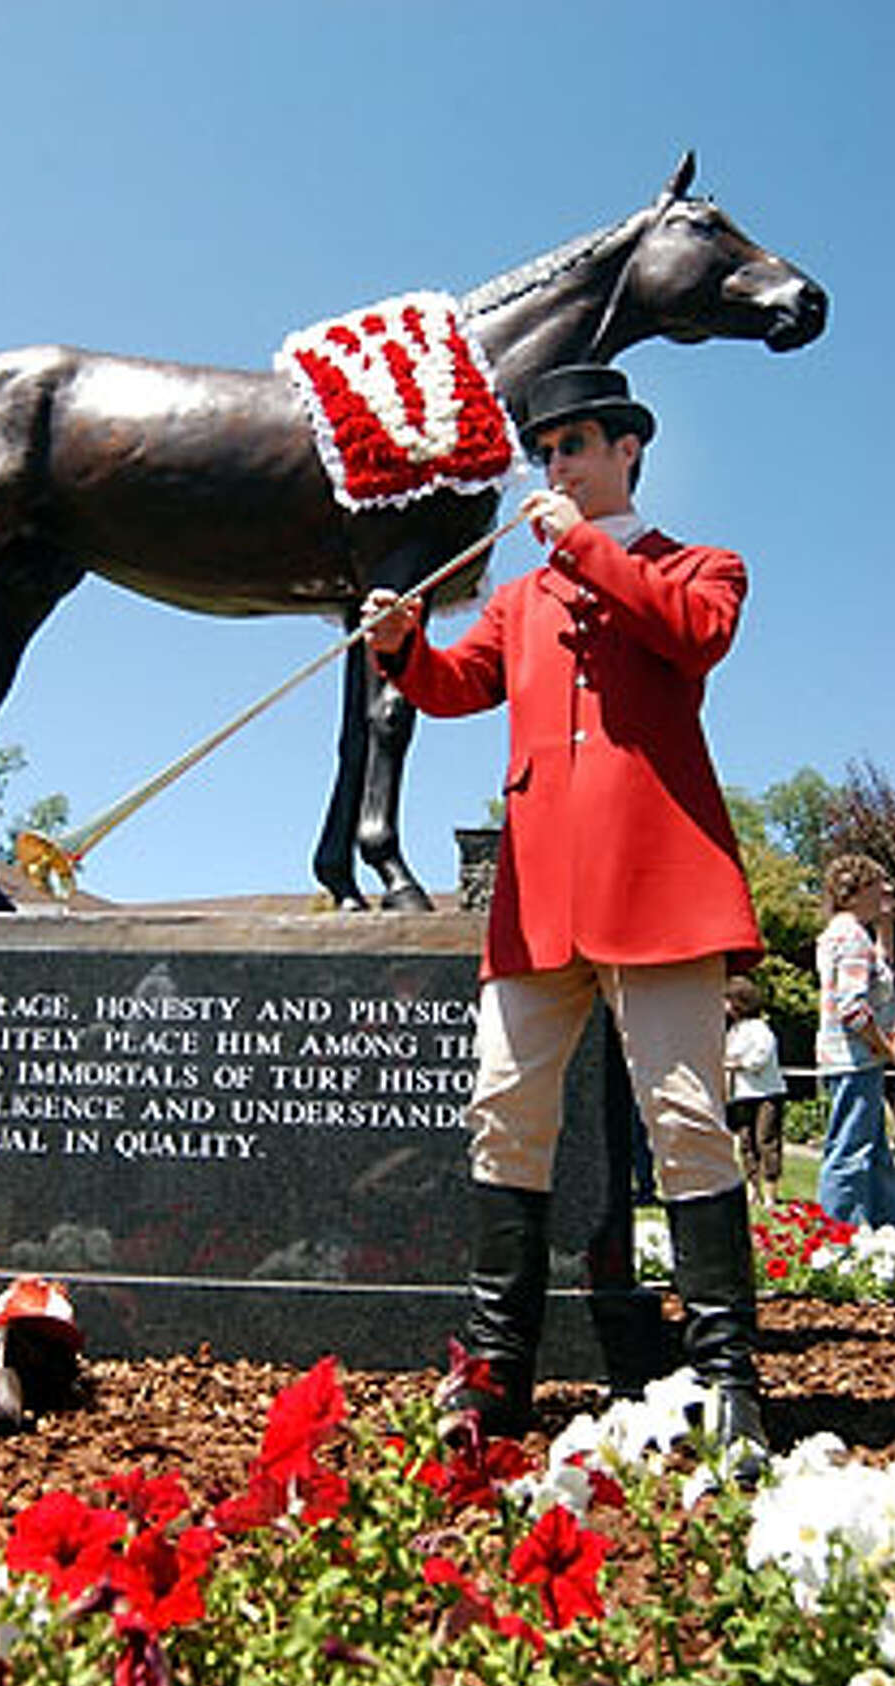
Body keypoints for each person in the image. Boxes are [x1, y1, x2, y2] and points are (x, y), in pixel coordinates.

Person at [364, 362, 768, 1479]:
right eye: (546, 451)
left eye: (577, 444)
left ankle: (729, 1374)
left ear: (629, 450)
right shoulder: (522, 598)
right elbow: (454, 687)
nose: (557, 464)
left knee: (685, 1119)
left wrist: (581, 542)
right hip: (537, 899)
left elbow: (691, 633)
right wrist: (402, 643)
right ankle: (499, 1368)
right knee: (503, 1110)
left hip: (659, 886)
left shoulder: (698, 562)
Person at [815, 853, 895, 1227]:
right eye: (878, 883)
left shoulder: (841, 932)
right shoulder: (851, 938)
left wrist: (885, 927)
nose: (887, 889)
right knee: (850, 1151)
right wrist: (886, 1047)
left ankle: (884, 1230)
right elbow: (853, 1008)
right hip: (856, 1059)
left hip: (850, 1059)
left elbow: (878, 976)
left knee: (875, 1153)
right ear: (855, 891)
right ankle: (837, 1238)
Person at [724, 976, 787, 1209]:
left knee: (766, 1141)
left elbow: (760, 1056)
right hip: (742, 1094)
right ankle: (752, 1189)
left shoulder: (760, 1028)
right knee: (746, 1142)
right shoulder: (735, 1031)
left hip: (766, 1094)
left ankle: (770, 1191)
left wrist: (737, 1063)